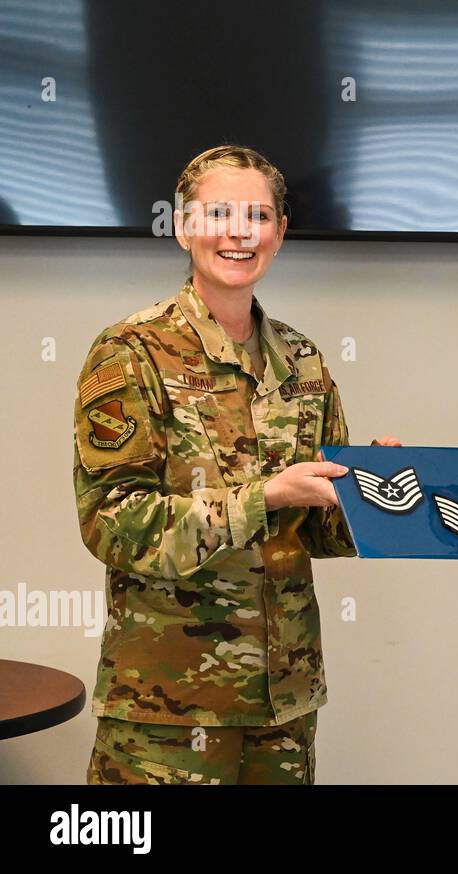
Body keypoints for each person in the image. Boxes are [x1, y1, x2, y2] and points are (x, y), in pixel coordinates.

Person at [74, 144, 395, 784]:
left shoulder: (302, 360)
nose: (239, 232)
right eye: (220, 212)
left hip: (284, 702)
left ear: (280, 232)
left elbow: (318, 524)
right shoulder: (130, 352)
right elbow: (112, 524)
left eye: (260, 215)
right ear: (185, 225)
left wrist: (369, 493)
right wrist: (263, 497)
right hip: (166, 706)